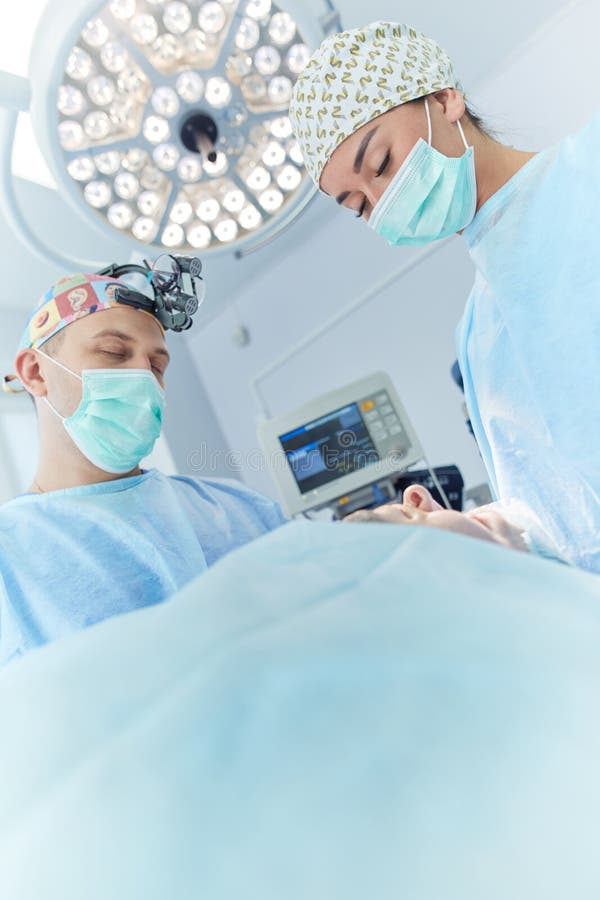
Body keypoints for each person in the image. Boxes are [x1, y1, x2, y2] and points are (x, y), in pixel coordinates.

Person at [289, 21, 600, 574]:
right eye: (357, 205)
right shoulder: (478, 338)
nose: (381, 204)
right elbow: (557, 521)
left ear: (444, 97)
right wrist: (467, 536)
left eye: (381, 165)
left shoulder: (588, 171)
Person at [0, 272, 286, 665]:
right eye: (114, 352)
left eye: (157, 365)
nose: (142, 377)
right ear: (35, 372)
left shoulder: (238, 509)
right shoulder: (10, 556)